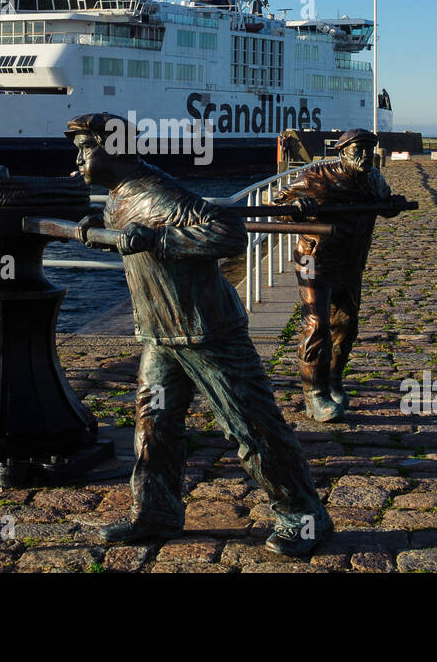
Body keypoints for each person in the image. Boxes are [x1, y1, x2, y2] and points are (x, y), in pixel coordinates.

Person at [67, 113, 331, 558]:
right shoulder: (118, 195)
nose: (77, 158)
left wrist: (159, 239)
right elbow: (126, 223)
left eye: (85, 147)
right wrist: (101, 224)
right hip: (160, 334)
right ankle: (156, 510)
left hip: (208, 333)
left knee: (250, 427)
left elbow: (229, 234)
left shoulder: (157, 195)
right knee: (156, 425)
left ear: (115, 148)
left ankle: (304, 516)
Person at [272, 128, 394, 422]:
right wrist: (296, 209)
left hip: (351, 260)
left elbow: (387, 205)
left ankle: (334, 380)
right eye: (358, 151)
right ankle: (315, 395)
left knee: (346, 324)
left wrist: (393, 206)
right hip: (314, 259)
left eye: (369, 150)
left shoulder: (374, 180)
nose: (365, 156)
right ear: (342, 153)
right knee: (317, 324)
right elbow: (278, 207)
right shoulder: (315, 177)